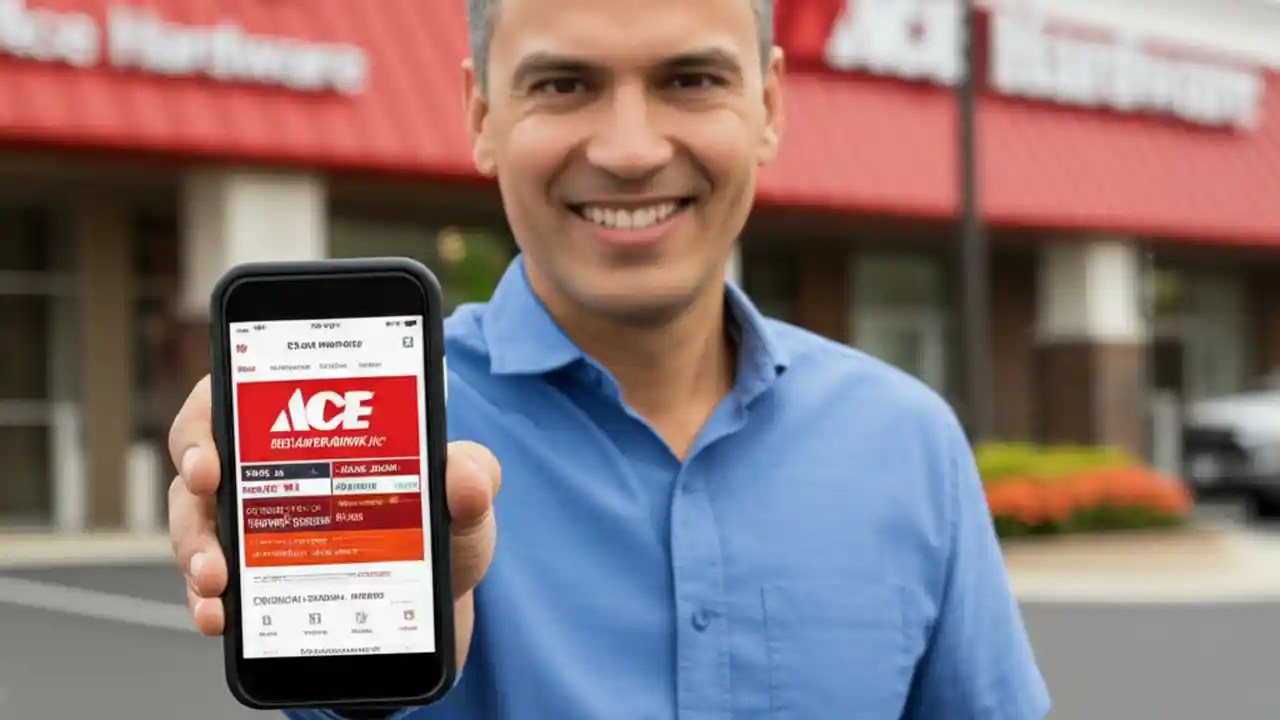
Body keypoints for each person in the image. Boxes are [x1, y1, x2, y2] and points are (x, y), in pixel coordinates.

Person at [166, 0, 1052, 717]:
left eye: (692, 79)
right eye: (563, 84)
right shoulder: (379, 432)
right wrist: (358, 678)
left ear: (770, 108)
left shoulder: (907, 441)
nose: (630, 151)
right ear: (482, 116)